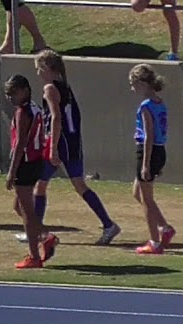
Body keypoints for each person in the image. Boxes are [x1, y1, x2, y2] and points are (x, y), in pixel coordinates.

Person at [30, 49, 120, 245]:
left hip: (61, 142)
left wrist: (52, 147)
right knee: (79, 185)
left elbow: (56, 118)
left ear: (47, 68)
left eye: (39, 69)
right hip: (72, 142)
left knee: (40, 185)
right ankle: (108, 224)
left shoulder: (50, 88)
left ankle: (35, 231)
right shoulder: (65, 87)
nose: (38, 73)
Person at [4, 74, 57, 269]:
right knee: (18, 206)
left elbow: (20, 143)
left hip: (26, 163)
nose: (10, 98)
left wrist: (12, 171)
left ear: (25, 91)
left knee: (27, 211)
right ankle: (44, 235)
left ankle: (35, 255)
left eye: (14, 93)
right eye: (8, 94)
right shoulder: (35, 108)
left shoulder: (23, 112)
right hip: (35, 161)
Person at [129, 64, 176, 254]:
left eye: (133, 84)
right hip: (159, 150)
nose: (132, 88)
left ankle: (154, 242)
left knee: (147, 199)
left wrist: (146, 164)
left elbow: (149, 134)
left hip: (148, 150)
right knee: (137, 192)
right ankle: (164, 227)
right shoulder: (159, 103)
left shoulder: (145, 106)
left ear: (142, 83)